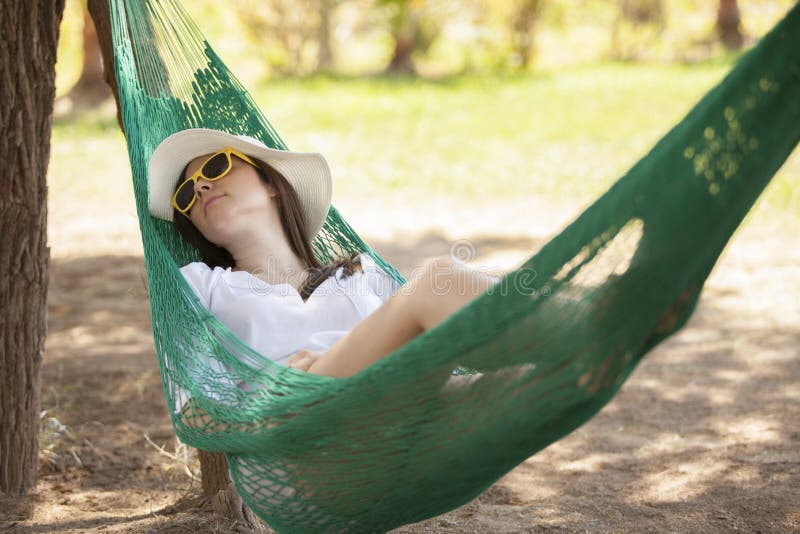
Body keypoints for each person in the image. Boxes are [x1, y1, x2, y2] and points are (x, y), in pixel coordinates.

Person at [148, 128, 500, 380]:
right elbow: (200, 411)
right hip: (301, 428)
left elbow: (432, 335)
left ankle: (534, 342)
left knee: (508, 380)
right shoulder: (199, 285)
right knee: (436, 279)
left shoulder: (362, 272)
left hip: (408, 409)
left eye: (216, 168)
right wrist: (303, 382)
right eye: (186, 196)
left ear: (270, 183)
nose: (200, 187)